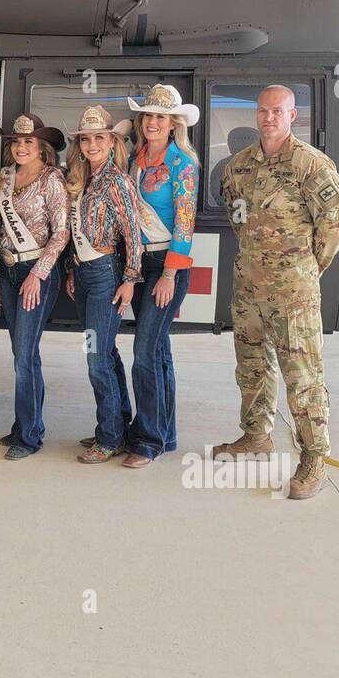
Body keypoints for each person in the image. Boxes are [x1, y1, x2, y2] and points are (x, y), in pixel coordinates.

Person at [214, 85, 339, 499]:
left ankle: (314, 457)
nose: (269, 117)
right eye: (262, 110)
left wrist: (305, 270)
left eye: (278, 111)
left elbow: (334, 227)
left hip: (293, 291)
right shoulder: (238, 166)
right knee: (252, 364)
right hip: (249, 284)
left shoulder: (311, 165)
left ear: (293, 115)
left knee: (302, 375)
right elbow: (238, 220)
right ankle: (255, 436)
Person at [123, 84, 201, 467]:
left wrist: (170, 274)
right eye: (148, 115)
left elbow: (185, 227)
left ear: (173, 124)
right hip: (139, 264)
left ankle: (148, 439)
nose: (152, 122)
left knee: (144, 351)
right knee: (159, 351)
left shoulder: (183, 165)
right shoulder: (135, 160)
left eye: (160, 117)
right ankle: (164, 433)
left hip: (165, 267)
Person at [64, 105, 143, 465]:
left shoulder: (117, 181)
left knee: (96, 358)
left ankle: (109, 436)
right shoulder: (82, 177)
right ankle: (116, 428)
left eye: (99, 138)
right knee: (105, 353)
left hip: (105, 274)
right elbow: (74, 231)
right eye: (86, 139)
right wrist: (71, 268)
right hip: (83, 272)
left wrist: (129, 279)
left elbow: (133, 235)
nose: (92, 144)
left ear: (112, 142)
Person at [0, 114, 69, 461]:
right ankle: (24, 425)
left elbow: (62, 232)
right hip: (7, 271)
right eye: (16, 141)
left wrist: (38, 273)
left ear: (42, 148)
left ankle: (30, 435)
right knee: (20, 353)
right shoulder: (5, 176)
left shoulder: (53, 178)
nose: (21, 147)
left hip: (36, 272)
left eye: (28, 142)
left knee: (25, 354)